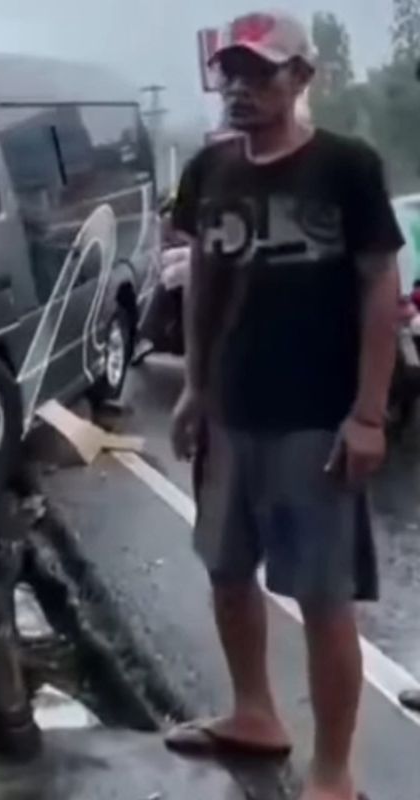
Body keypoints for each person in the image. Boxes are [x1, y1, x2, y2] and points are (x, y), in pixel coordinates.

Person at [165, 11, 402, 800]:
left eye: (261, 73)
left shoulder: (346, 167)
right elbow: (201, 281)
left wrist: (369, 413)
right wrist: (195, 388)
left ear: (302, 78)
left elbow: (379, 288)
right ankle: (255, 714)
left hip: (315, 420)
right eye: (231, 73)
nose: (241, 88)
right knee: (228, 573)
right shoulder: (209, 171)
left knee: (322, 595)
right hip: (230, 416)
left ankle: (333, 772)